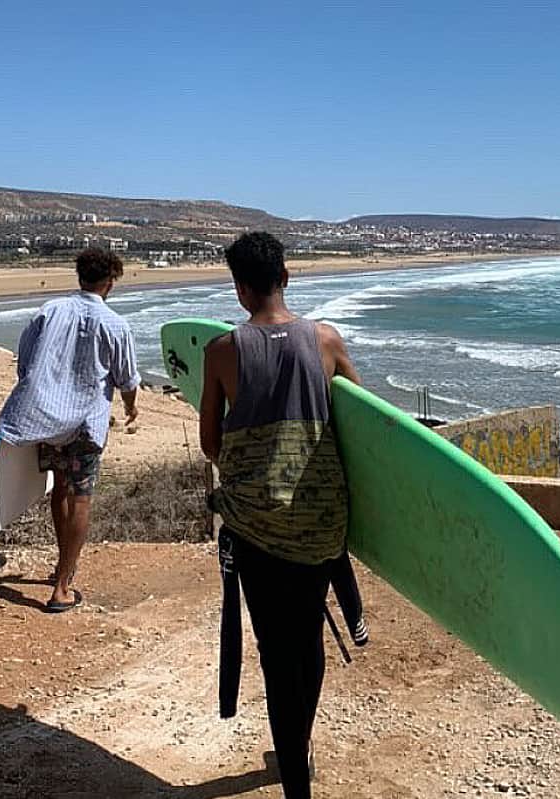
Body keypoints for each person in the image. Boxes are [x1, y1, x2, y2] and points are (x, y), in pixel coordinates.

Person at [199, 231, 362, 798]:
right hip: (319, 526)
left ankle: (294, 773)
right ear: (286, 277)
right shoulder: (326, 341)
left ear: (241, 289)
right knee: (309, 639)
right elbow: (362, 435)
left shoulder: (221, 352)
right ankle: (299, 744)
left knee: (274, 650)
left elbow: (211, 444)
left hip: (255, 528)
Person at [0, 247, 140, 612]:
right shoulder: (115, 324)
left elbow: (26, 361)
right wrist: (130, 406)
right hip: (85, 425)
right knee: (80, 496)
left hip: (44, 418)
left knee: (59, 489)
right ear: (110, 281)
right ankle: (62, 586)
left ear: (80, 277)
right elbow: (126, 378)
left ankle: (63, 566)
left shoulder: (49, 311)